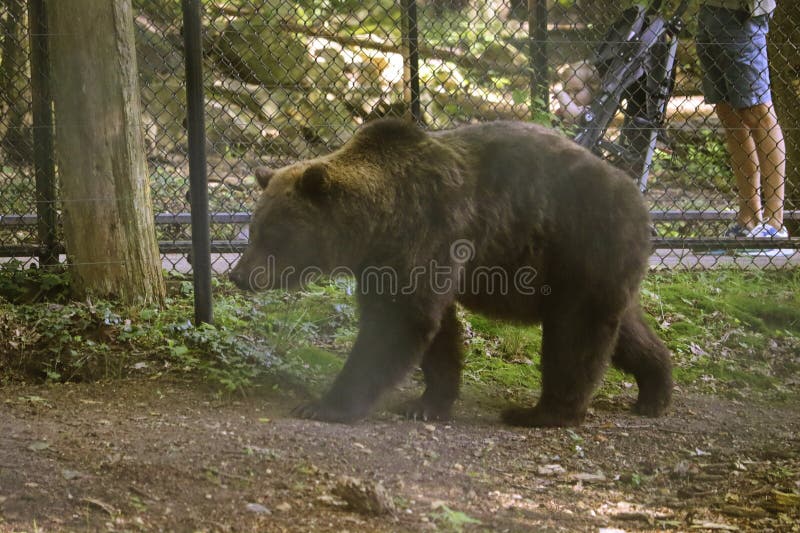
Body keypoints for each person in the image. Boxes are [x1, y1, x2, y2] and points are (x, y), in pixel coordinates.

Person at [696, 0, 788, 239]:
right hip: (708, 12)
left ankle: (775, 222)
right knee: (729, 113)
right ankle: (749, 218)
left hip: (743, 15)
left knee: (757, 111)